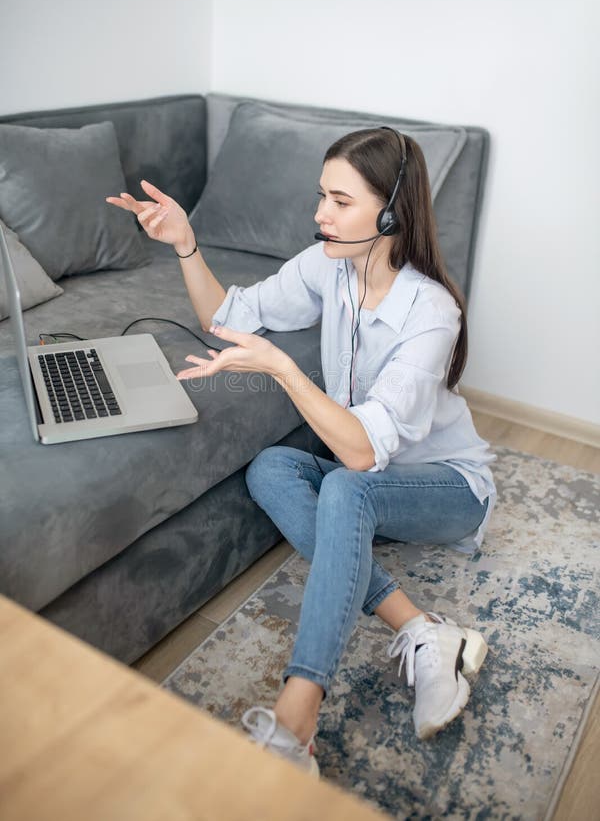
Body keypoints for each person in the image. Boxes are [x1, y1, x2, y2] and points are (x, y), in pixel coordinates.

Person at [106, 126, 496, 779]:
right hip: (367, 475)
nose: (320, 214)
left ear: (391, 210)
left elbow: (364, 455)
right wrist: (185, 244)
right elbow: (230, 315)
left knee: (347, 486)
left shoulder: (432, 312)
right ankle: (421, 627)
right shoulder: (328, 265)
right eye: (322, 196)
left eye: (340, 201)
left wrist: (283, 368)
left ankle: (295, 716)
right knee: (271, 469)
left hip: (447, 486)